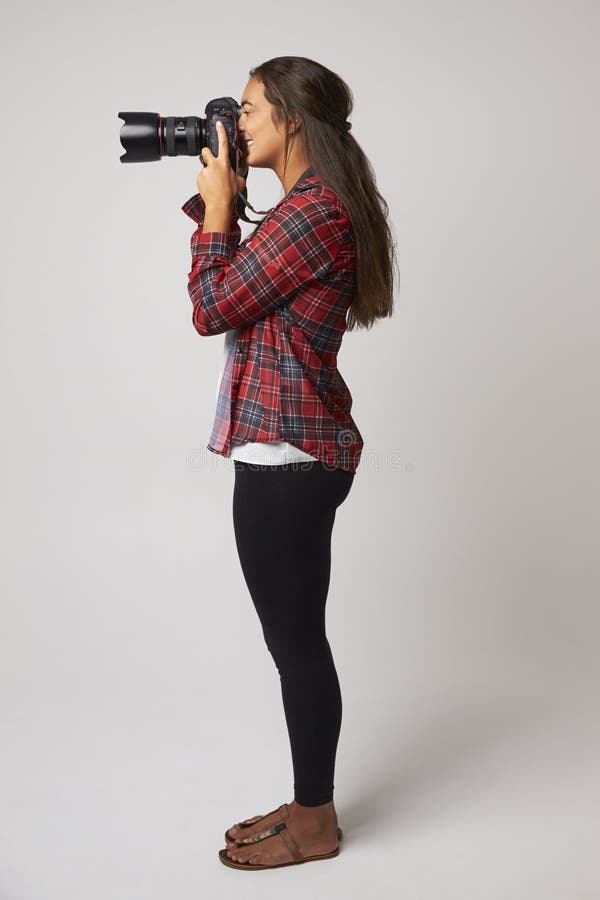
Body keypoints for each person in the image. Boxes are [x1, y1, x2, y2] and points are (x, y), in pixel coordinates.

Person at [181, 56, 397, 871]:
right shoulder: (305, 210)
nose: (238, 124)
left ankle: (315, 824)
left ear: (293, 119)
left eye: (249, 110)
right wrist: (224, 202)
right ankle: (313, 803)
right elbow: (238, 286)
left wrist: (215, 212)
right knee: (297, 641)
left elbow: (211, 306)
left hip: (289, 458)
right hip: (290, 453)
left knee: (297, 644)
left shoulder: (314, 215)